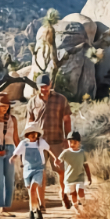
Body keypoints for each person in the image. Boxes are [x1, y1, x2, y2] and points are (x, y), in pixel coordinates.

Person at [26, 74, 73, 205]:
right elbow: (29, 122)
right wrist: (29, 142)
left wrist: (68, 139)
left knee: (61, 170)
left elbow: (67, 120)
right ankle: (42, 204)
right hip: (39, 143)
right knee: (40, 172)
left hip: (57, 141)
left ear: (50, 84)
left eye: (46, 86)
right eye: (41, 87)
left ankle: (63, 193)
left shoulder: (61, 99)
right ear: (37, 87)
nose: (44, 89)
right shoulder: (32, 102)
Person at [12, 122, 57, 219]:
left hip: (38, 169)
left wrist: (55, 159)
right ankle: (35, 211)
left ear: (38, 134)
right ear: (27, 134)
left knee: (33, 189)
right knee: (31, 192)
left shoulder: (41, 143)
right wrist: (12, 158)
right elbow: (16, 153)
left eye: (35, 133)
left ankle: (32, 212)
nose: (33, 135)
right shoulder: (23, 144)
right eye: (30, 132)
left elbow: (49, 149)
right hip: (27, 170)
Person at [58, 130, 92, 210]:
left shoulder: (82, 153)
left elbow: (86, 166)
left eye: (75, 142)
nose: (72, 144)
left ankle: (84, 205)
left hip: (79, 177)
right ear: (67, 142)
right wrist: (57, 162)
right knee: (73, 195)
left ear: (79, 143)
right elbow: (59, 160)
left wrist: (89, 177)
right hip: (69, 178)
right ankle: (77, 208)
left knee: (80, 190)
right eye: (70, 142)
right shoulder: (66, 152)